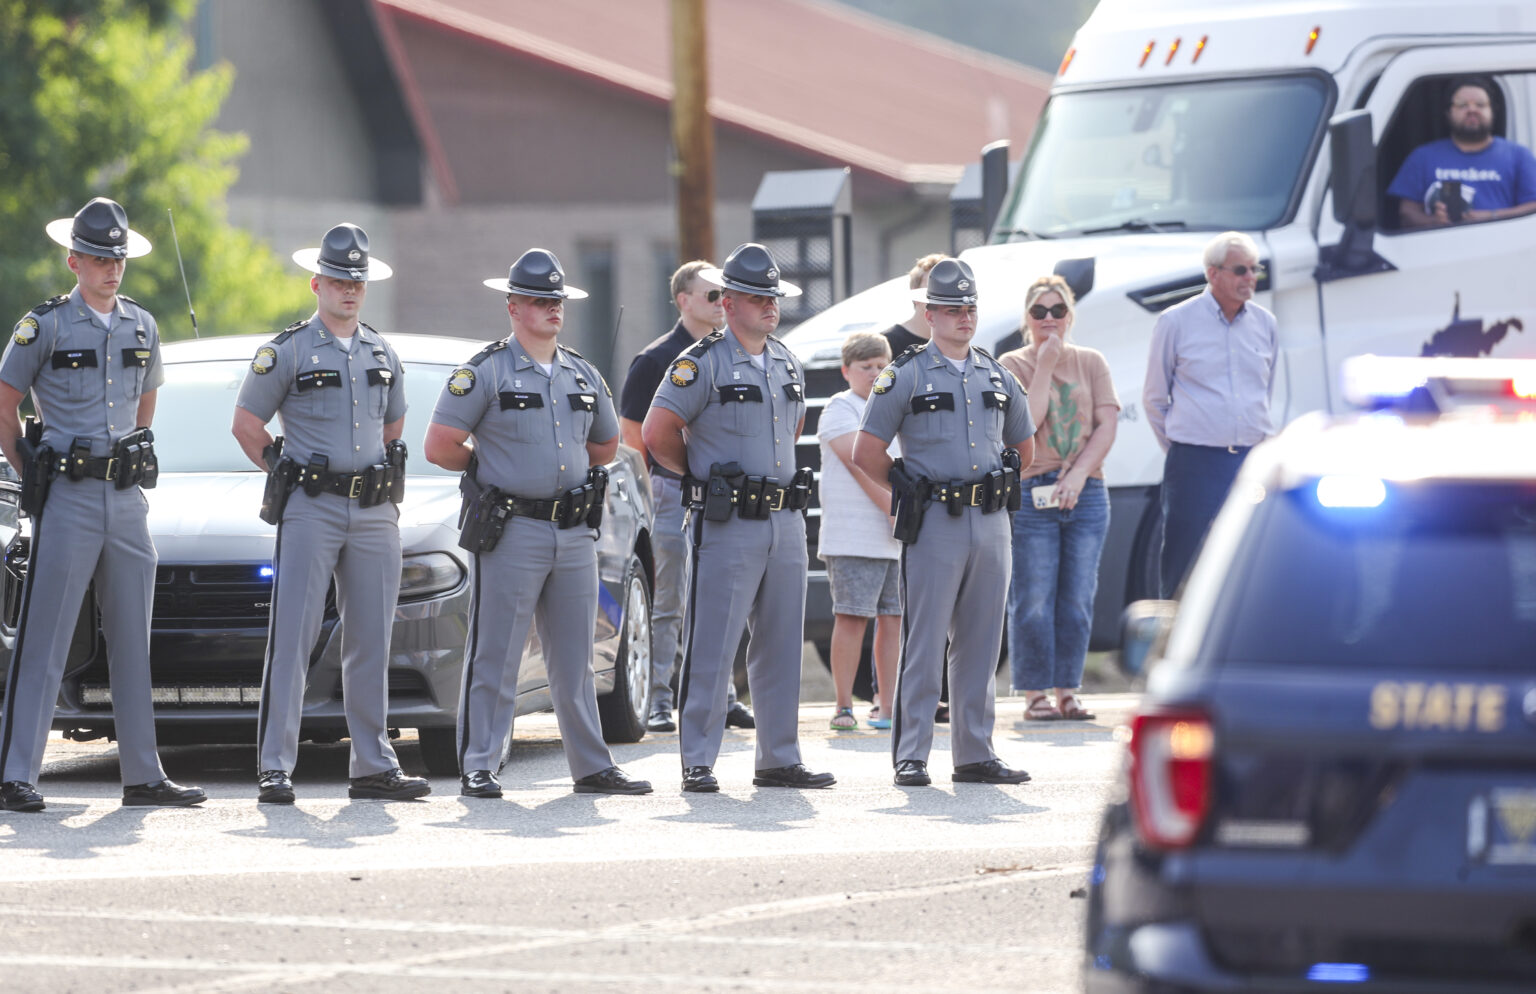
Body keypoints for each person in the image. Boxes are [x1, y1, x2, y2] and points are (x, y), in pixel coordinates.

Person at [0, 198, 205, 812]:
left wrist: (132, 453)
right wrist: (28, 471)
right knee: (47, 635)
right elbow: (4, 400)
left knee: (131, 638)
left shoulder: (143, 325)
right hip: (67, 497)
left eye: (116, 259)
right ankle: (16, 774)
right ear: (74, 261)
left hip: (125, 498)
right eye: (96, 258)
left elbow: (145, 403)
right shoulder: (47, 326)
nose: (109, 269)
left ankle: (143, 775)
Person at [422, 249, 651, 799]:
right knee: (496, 654)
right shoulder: (485, 371)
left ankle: (591, 768)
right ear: (513, 306)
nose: (553, 309)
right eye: (540, 300)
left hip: (573, 532)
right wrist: (493, 468)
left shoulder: (581, 371)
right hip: (513, 529)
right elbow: (440, 446)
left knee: (575, 658)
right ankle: (480, 764)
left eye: (558, 301)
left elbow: (605, 445)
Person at [232, 223, 430, 804]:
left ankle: (371, 765)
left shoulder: (381, 350)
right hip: (311, 508)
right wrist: (282, 468)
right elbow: (246, 425)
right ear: (317, 282)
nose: (349, 288)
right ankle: (275, 766)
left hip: (372, 511)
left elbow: (393, 424)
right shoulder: (288, 350)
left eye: (358, 280)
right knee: (291, 635)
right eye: (339, 279)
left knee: (370, 637)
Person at [643, 243, 834, 793]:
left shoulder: (786, 359)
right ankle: (698, 760)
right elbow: (658, 435)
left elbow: (791, 431)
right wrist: (702, 481)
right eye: (756, 297)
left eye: (773, 296)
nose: (769, 306)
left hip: (784, 519)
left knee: (779, 644)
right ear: (728, 303)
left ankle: (778, 757)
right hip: (726, 522)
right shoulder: (699, 363)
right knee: (713, 643)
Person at [853, 258, 1036, 788]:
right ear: (929, 313)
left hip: (991, 520)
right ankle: (912, 754)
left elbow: (1025, 446)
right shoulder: (905, 373)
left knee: (982, 641)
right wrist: (908, 487)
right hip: (935, 521)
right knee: (925, 640)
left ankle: (974, 753)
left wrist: (1005, 474)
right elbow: (867, 452)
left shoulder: (997, 372)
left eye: (970, 307)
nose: (964, 317)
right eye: (953, 308)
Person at [616, 260, 754, 734]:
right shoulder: (656, 360)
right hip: (672, 493)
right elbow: (634, 438)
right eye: (712, 296)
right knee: (670, 600)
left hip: (728, 496)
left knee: (721, 598)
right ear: (684, 301)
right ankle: (658, 697)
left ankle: (725, 695)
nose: (721, 304)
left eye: (725, 295)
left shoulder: (737, 353)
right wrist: (657, 493)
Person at [999, 276, 1118, 722]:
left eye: (1058, 311)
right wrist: (1045, 365)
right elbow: (1025, 425)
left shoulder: (1091, 361)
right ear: (1026, 318)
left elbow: (1107, 423)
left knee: (1077, 596)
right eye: (1039, 312)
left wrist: (1081, 474)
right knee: (1032, 595)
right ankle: (1034, 692)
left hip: (1086, 491)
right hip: (1033, 490)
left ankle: (1068, 689)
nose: (1049, 319)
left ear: (1070, 316)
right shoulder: (1013, 362)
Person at [1143, 231, 1277, 598]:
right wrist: (1186, 448)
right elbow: (1155, 399)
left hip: (1252, 460)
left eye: (1254, 269)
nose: (1250, 277)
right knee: (1183, 564)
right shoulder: (1175, 322)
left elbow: (1263, 392)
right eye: (1240, 270)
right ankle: (1170, 648)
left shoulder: (1266, 324)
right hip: (1194, 463)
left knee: (1254, 559)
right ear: (1212, 273)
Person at [816, 332, 900, 731]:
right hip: (853, 535)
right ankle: (844, 705)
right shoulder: (839, 408)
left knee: (895, 619)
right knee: (851, 618)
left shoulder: (897, 410)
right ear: (846, 370)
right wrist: (892, 507)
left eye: (882, 365)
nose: (875, 373)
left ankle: (888, 705)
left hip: (897, 537)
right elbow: (859, 463)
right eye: (866, 367)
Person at [1388, 77, 1536, 228]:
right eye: (1462, 105)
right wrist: (1434, 221)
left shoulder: (1519, 156)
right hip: (1439, 246)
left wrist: (1491, 216)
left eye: (1480, 104)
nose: (1472, 110)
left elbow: (1533, 208)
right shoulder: (1422, 157)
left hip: (1502, 248)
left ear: (1492, 111)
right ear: (1448, 112)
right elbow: (1406, 213)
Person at [882, 254, 946, 357]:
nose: (941, 294)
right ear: (915, 294)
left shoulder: (956, 343)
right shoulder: (888, 343)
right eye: (933, 286)